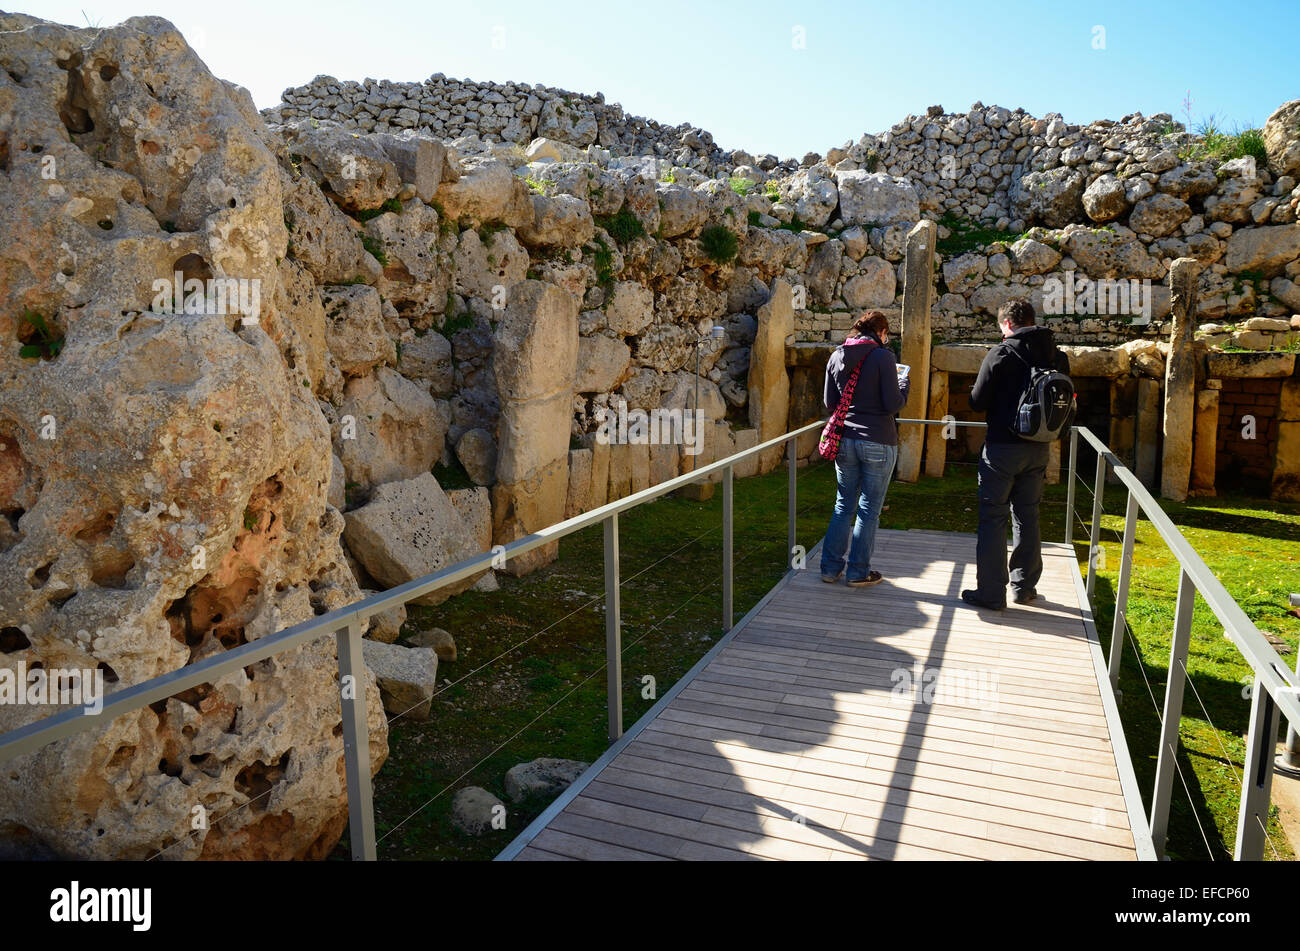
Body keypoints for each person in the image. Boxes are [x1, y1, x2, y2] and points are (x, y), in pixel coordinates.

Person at [962, 298, 1070, 610]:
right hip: (1039, 447)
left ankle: (992, 593)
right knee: (1028, 515)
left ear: (1007, 323)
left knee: (993, 517)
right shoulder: (1057, 355)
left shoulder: (1001, 353)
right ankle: (1024, 587)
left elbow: (977, 401)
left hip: (1002, 447)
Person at [820, 311, 910, 587]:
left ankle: (829, 569)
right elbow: (894, 404)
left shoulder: (837, 354)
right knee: (869, 508)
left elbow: (828, 401)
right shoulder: (884, 357)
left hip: (845, 438)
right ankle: (858, 572)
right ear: (882, 333)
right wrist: (904, 385)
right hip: (878, 440)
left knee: (842, 505)